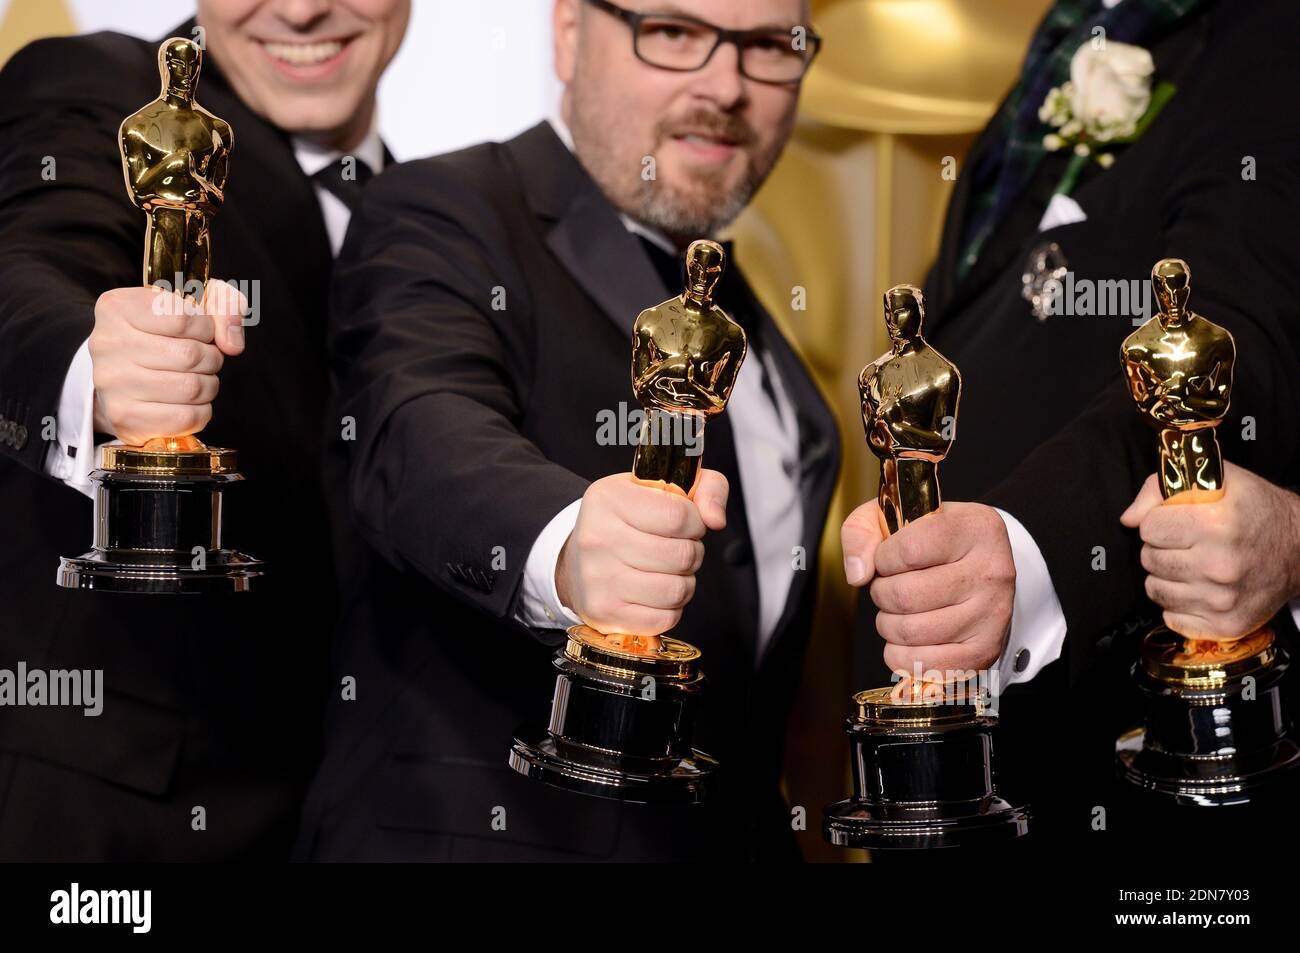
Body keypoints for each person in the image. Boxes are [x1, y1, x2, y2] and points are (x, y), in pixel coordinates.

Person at [296, 0, 840, 862]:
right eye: (674, 31)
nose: (726, 85)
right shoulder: (444, 209)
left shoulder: (756, 328)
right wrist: (569, 545)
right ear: (569, 33)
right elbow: (414, 428)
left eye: (771, 45)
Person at [840, 0, 1300, 844]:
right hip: (960, 781)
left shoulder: (1267, 35)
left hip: (1121, 797)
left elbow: (1220, 347)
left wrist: (1026, 550)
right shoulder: (1065, 36)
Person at [0, 0, 409, 860]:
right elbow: (28, 259)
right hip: (97, 832)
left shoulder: (430, 220)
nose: (301, 10)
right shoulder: (101, 93)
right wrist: (91, 365)